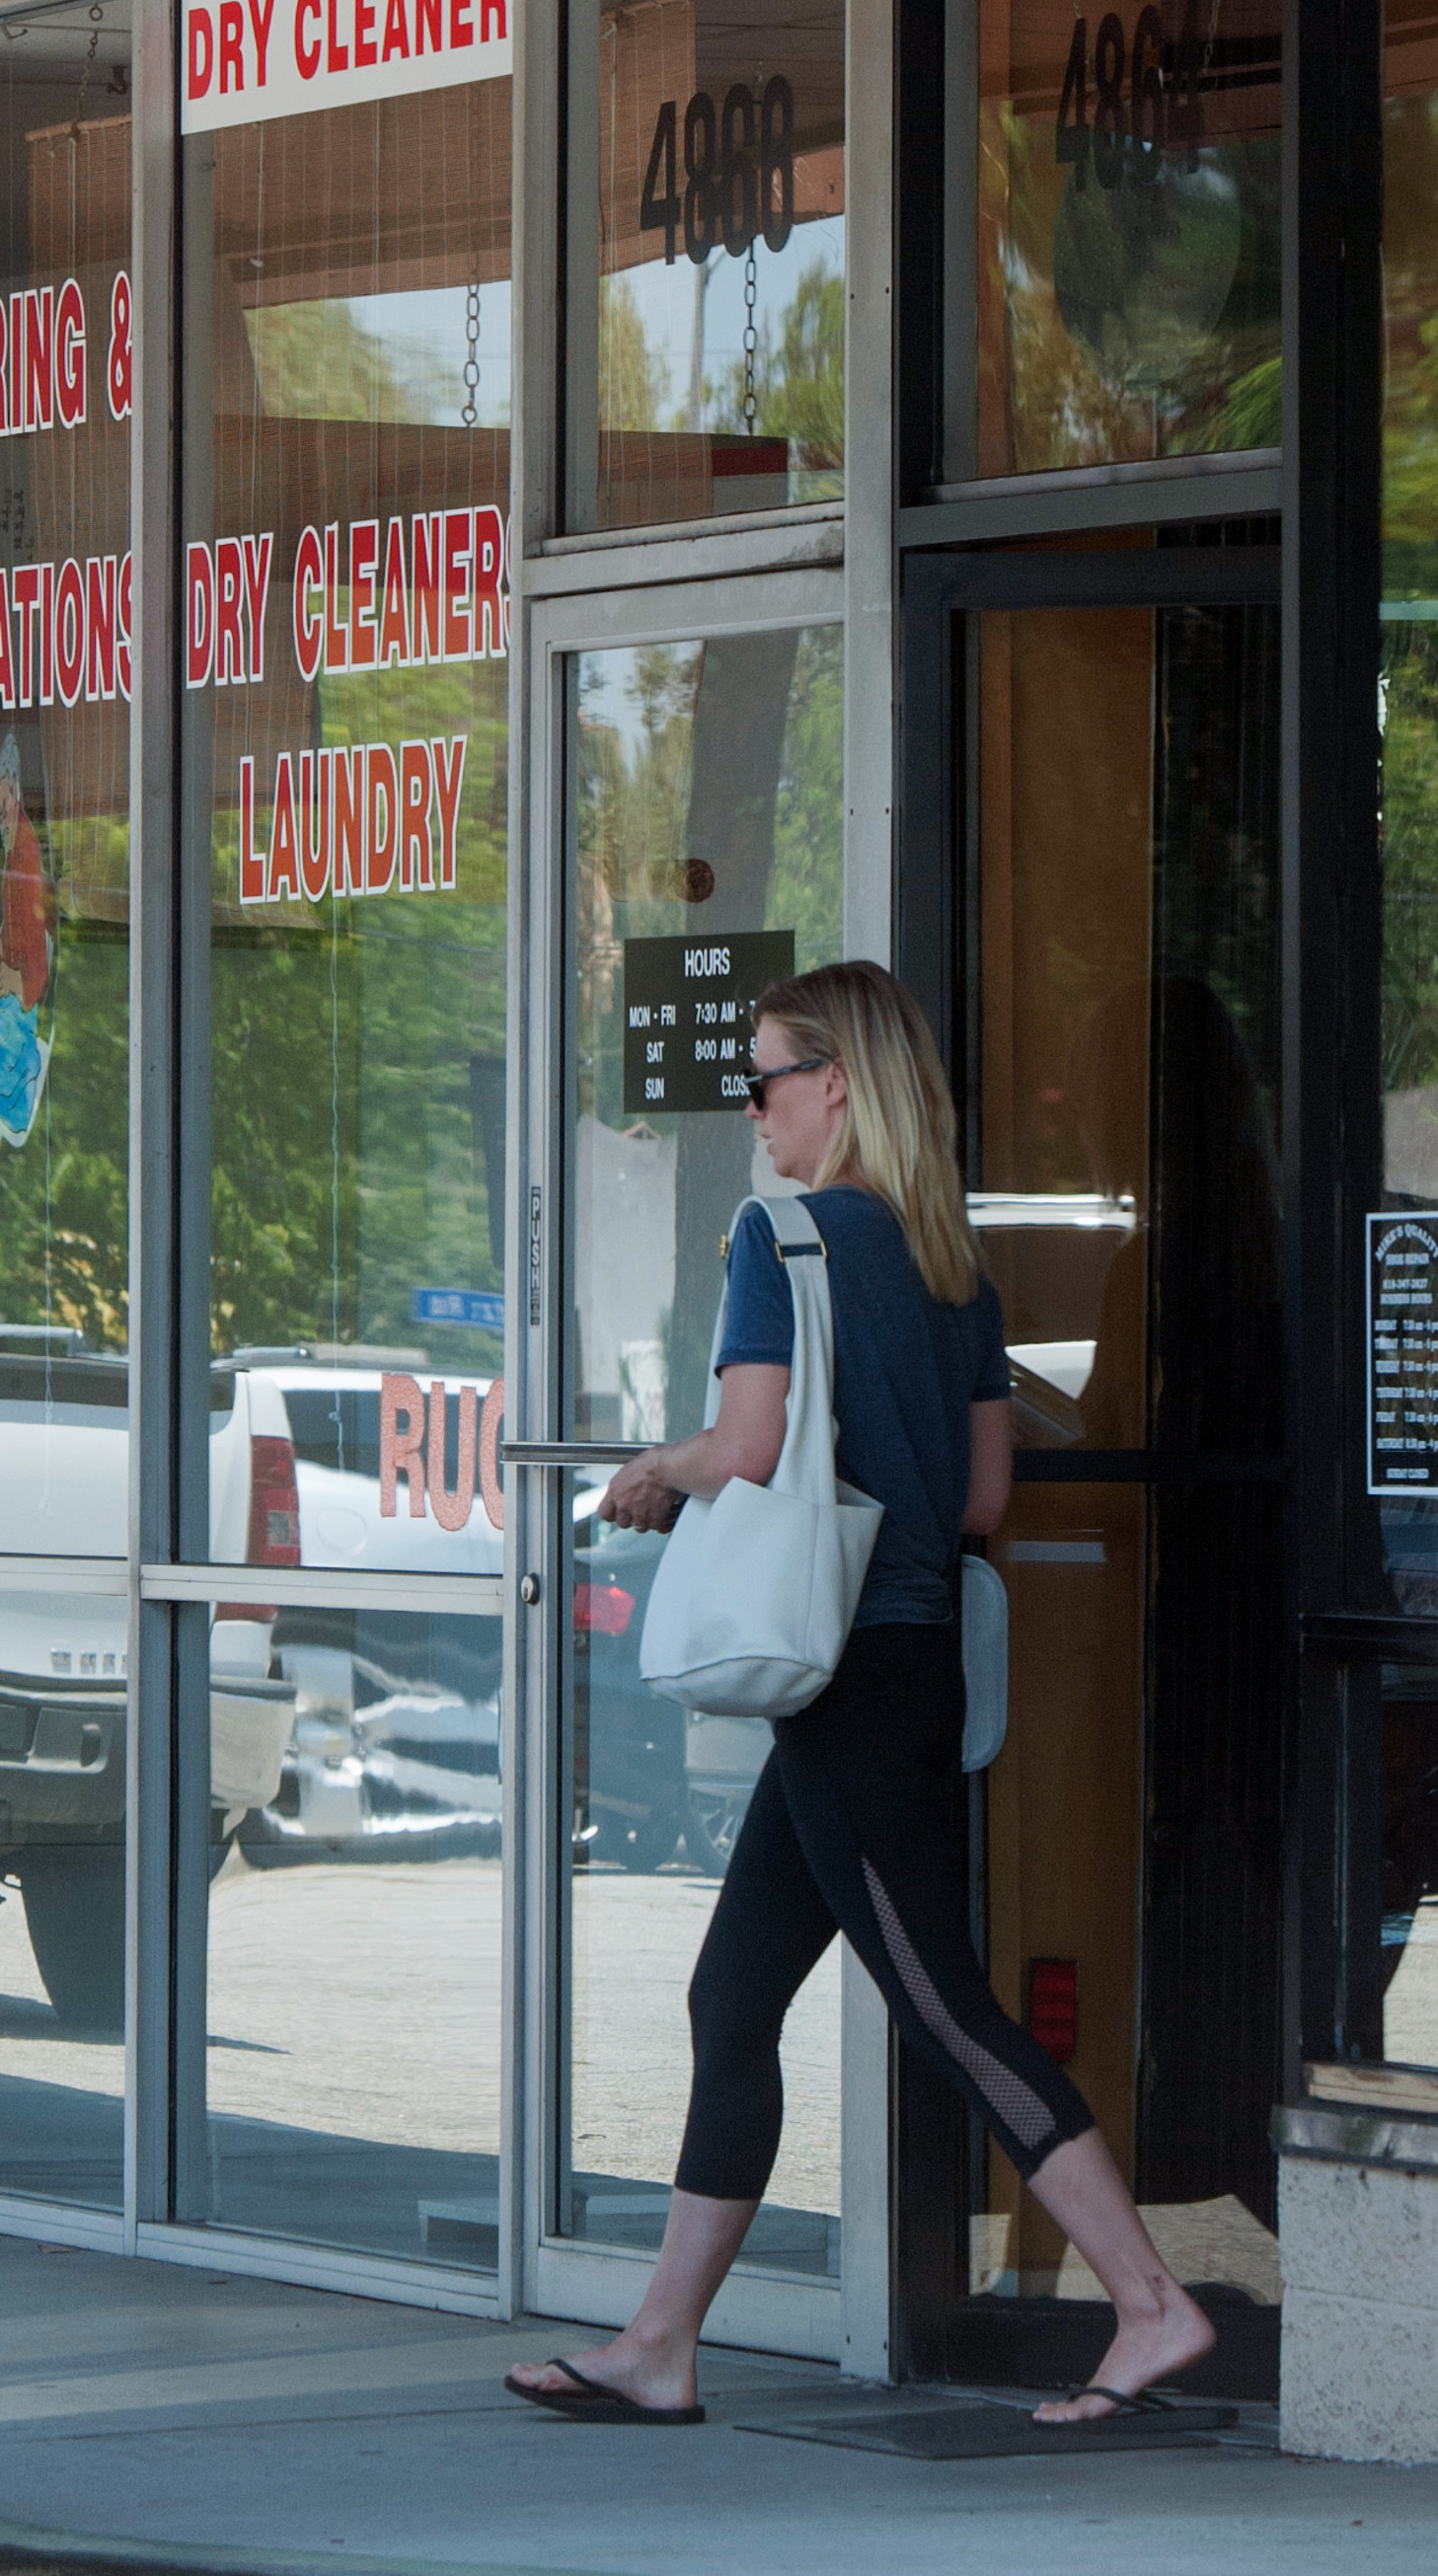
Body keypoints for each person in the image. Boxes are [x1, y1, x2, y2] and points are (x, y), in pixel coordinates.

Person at [507, 959, 1214, 2431]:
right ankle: (659, 2345)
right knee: (732, 1996)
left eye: (764, 1078)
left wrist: (660, 1470)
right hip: (906, 1662)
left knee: (947, 2006)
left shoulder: (782, 1237)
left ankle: (1151, 2306)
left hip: (848, 1684)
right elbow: (981, 1497)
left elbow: (752, 1444)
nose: (752, 1108)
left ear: (837, 1084)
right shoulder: (953, 1266)